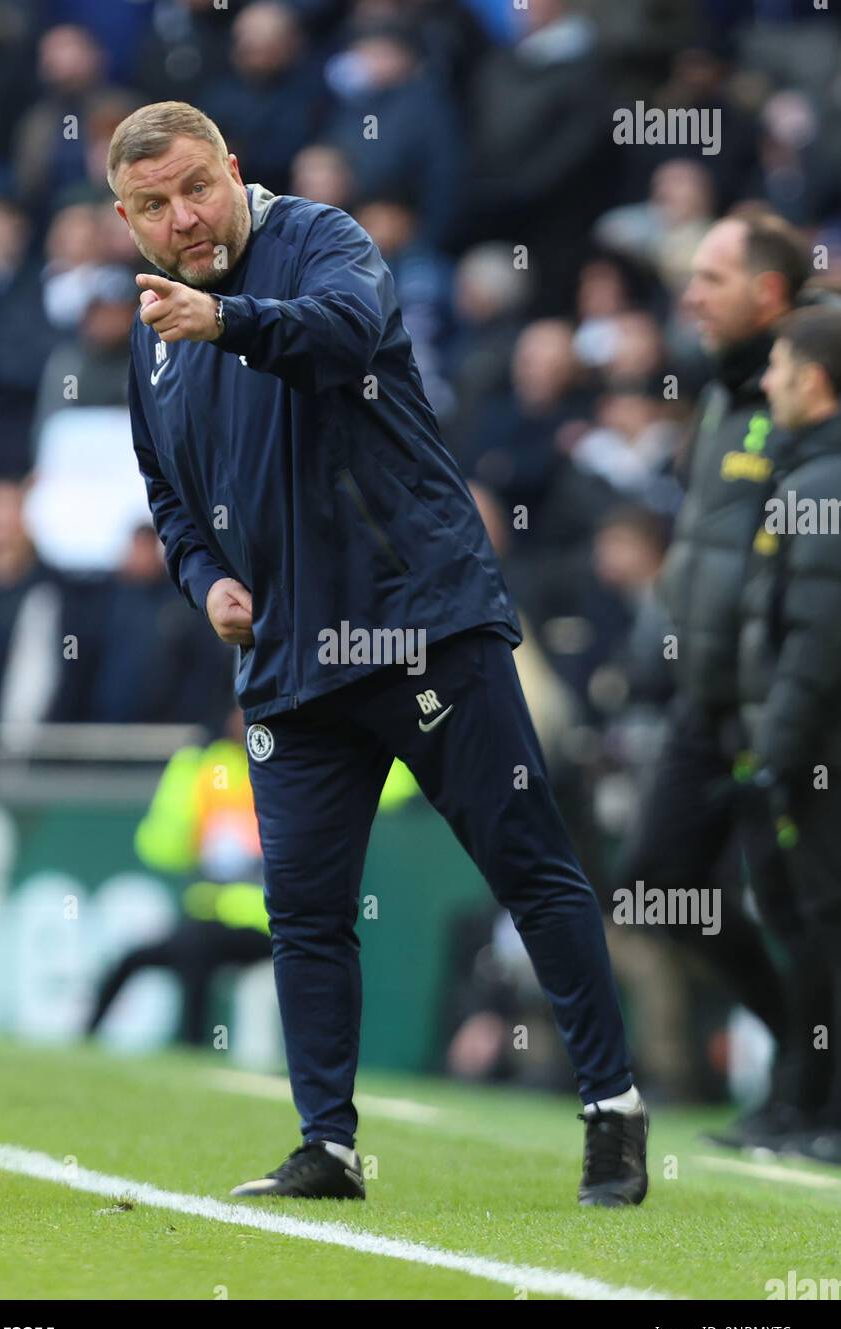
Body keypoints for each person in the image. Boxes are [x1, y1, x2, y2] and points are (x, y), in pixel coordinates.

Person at [109, 100, 647, 1206]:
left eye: (195, 188)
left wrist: (228, 322)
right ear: (124, 220)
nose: (183, 219)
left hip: (417, 627)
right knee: (303, 911)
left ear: (233, 170)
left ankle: (610, 1108)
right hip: (286, 667)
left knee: (526, 862)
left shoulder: (324, 242)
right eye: (153, 206)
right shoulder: (150, 340)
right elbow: (167, 498)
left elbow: (342, 337)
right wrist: (203, 576)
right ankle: (328, 1146)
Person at [620, 210, 834, 1148]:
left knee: (804, 902)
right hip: (705, 696)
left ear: (770, 293)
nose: (691, 297)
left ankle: (804, 1093)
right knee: (655, 885)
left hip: (772, 697)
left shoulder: (809, 394)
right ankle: (800, 1057)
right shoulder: (717, 390)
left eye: (712, 278)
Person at [738, 306, 841, 1163]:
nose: (766, 384)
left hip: (820, 750)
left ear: (814, 379)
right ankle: (806, 1106)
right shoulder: (804, 473)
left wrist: (779, 746)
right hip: (806, 742)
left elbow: (816, 635)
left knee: (825, 918)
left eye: (777, 367)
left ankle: (824, 1113)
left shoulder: (822, 485)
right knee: (809, 920)